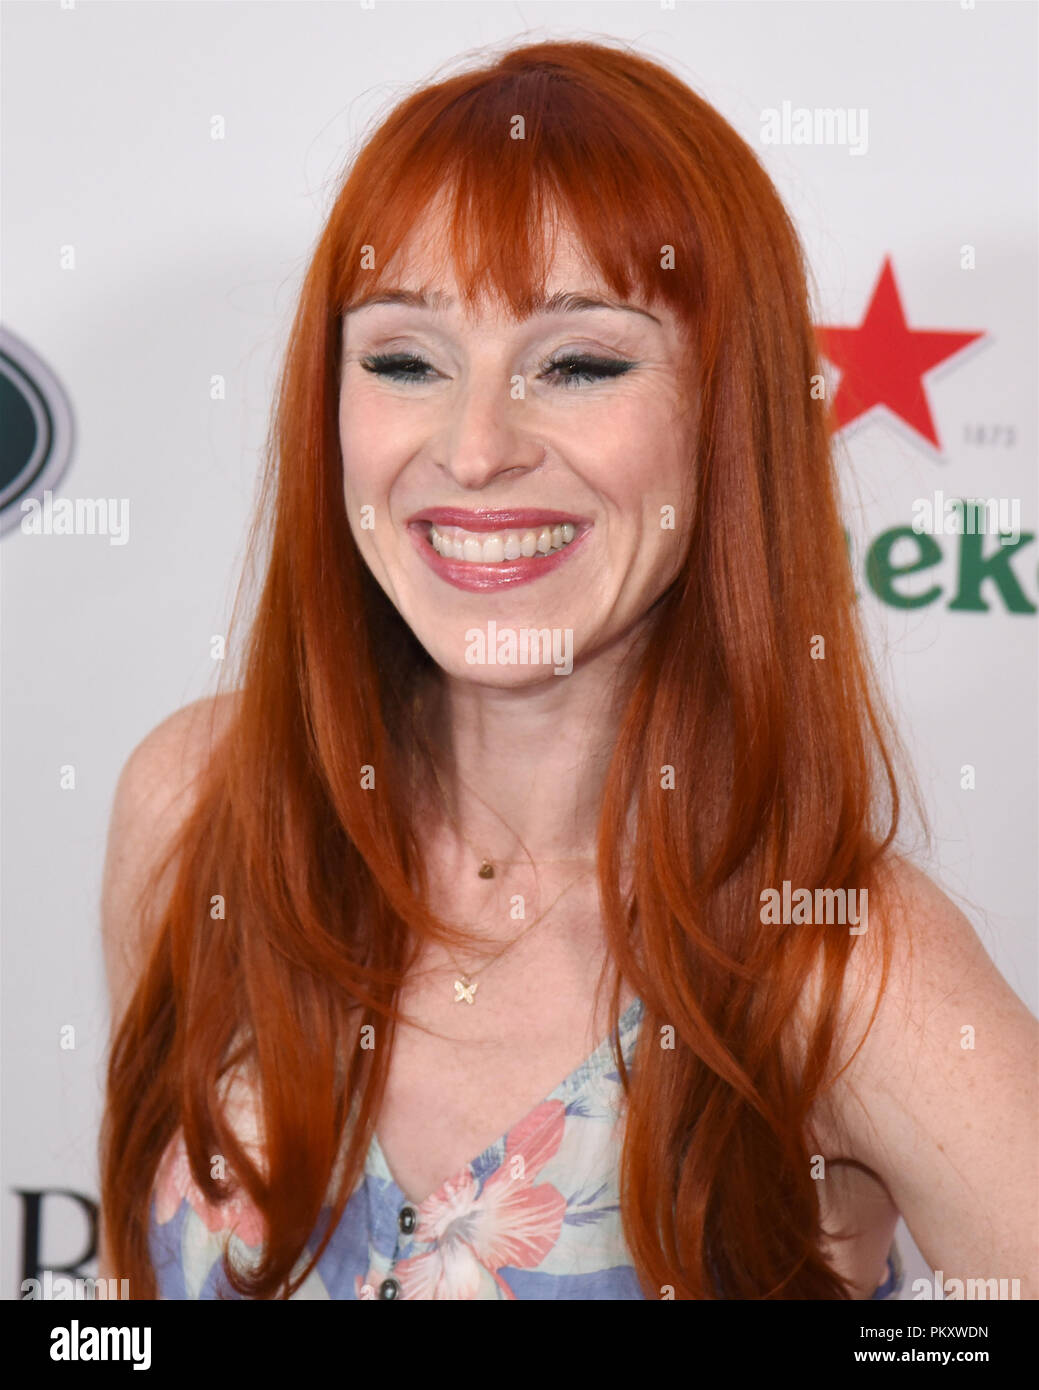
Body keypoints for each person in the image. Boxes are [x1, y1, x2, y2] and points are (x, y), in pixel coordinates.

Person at [98, 38, 1037, 1301]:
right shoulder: (194, 809)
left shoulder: (835, 965)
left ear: (727, 411)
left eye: (580, 362)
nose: (475, 448)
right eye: (404, 360)